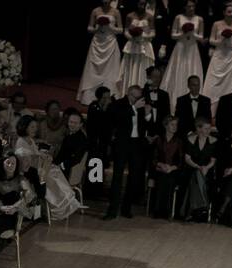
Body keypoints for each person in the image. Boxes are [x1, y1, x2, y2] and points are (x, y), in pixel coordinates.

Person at [103, 85, 154, 219]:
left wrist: (148, 114)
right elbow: (115, 119)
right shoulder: (118, 104)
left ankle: (126, 208)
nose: (137, 99)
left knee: (134, 177)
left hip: (137, 144)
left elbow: (146, 126)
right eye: (134, 96)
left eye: (139, 97)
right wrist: (133, 108)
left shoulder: (141, 105)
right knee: (117, 177)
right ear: (128, 94)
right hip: (122, 144)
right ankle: (112, 210)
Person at [79, 3, 124, 105]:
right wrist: (97, 28)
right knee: (94, 69)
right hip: (97, 42)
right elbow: (89, 28)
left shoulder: (116, 12)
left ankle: (110, 96)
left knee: (110, 70)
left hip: (110, 42)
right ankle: (90, 96)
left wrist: (110, 26)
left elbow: (121, 30)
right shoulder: (95, 11)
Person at [164, 1, 206, 102]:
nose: (191, 8)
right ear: (185, 7)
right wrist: (183, 33)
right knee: (178, 70)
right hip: (180, 48)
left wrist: (192, 33)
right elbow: (173, 35)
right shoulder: (178, 17)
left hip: (193, 48)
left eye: (193, 6)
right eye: (189, 6)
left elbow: (201, 37)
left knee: (193, 69)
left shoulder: (199, 19)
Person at [202, 3, 232, 106]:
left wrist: (231, 44)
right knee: (213, 82)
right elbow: (211, 40)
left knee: (231, 82)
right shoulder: (217, 24)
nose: (231, 14)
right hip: (219, 54)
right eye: (229, 12)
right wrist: (221, 41)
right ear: (224, 12)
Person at [152, 116, 187, 218]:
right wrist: (161, 165)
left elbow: (181, 161)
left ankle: (167, 211)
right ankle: (157, 210)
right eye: (172, 124)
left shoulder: (179, 142)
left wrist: (171, 168)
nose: (175, 127)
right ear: (166, 126)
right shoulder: (158, 139)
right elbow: (153, 158)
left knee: (169, 178)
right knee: (161, 177)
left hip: (174, 170)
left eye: (176, 125)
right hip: (159, 169)